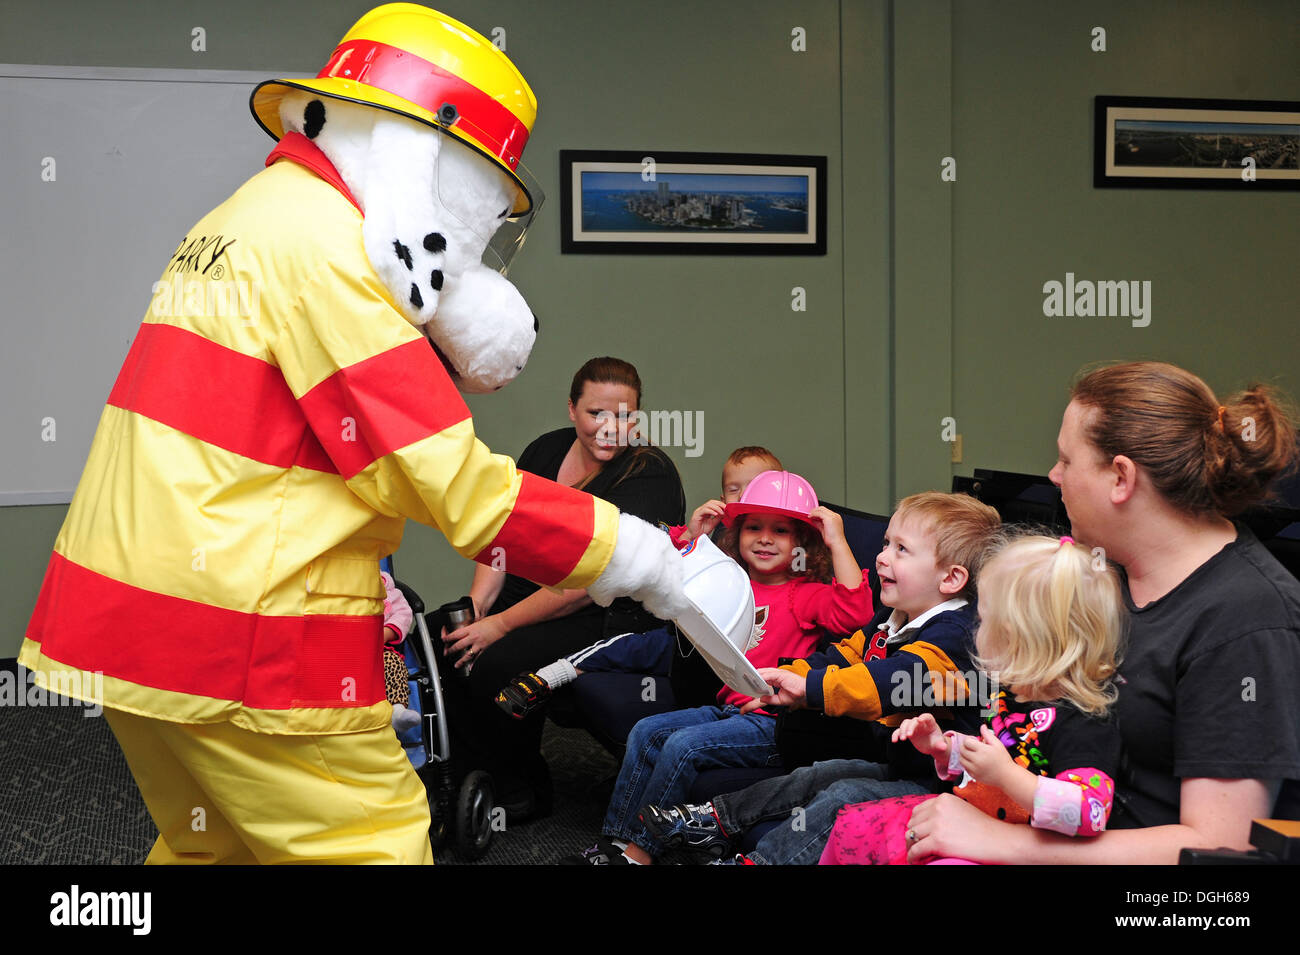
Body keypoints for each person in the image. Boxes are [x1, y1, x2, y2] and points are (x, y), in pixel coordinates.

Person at [905, 361, 1300, 864]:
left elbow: (1219, 847)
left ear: (1120, 477)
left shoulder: (1246, 619)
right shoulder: (1100, 573)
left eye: (1066, 461)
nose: (1053, 476)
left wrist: (1001, 843)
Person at [639, 491, 1003, 863]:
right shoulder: (892, 618)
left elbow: (888, 682)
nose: (881, 556)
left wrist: (809, 689)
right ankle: (715, 820)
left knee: (843, 795)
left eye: (901, 550)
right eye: (885, 543)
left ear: (951, 578)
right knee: (820, 774)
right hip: (903, 764)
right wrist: (785, 677)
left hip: (948, 786)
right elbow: (841, 656)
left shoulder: (958, 636)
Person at [564, 470, 873, 864]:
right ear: (738, 532)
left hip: (770, 722)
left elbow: (855, 611)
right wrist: (696, 536)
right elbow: (675, 579)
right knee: (646, 730)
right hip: (728, 709)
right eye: (754, 527)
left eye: (780, 531)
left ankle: (640, 855)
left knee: (681, 745)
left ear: (803, 543)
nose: (764, 538)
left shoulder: (805, 595)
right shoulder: (732, 579)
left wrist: (837, 540)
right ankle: (617, 844)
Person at [438, 356, 686, 816]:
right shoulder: (545, 451)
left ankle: (522, 790)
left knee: (498, 659)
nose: (612, 427)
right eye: (597, 413)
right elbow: (504, 535)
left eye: (625, 415)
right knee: (447, 638)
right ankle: (465, 777)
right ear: (572, 409)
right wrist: (478, 605)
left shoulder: (649, 473)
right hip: (538, 590)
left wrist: (498, 626)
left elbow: (590, 582)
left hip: (610, 614)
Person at [820, 534, 1125, 864]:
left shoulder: (1084, 720)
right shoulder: (1004, 693)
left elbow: (1089, 812)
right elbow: (992, 756)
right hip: (971, 820)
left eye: (984, 620)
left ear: (1019, 637)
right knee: (853, 823)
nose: (975, 629)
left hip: (1013, 849)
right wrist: (947, 748)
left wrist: (1006, 775)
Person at [493, 445, 783, 715]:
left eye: (757, 487)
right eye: (735, 490)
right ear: (722, 499)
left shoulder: (783, 543)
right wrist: (695, 537)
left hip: (735, 646)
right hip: (688, 636)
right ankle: (547, 678)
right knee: (622, 647)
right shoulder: (715, 533)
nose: (745, 496)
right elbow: (668, 562)